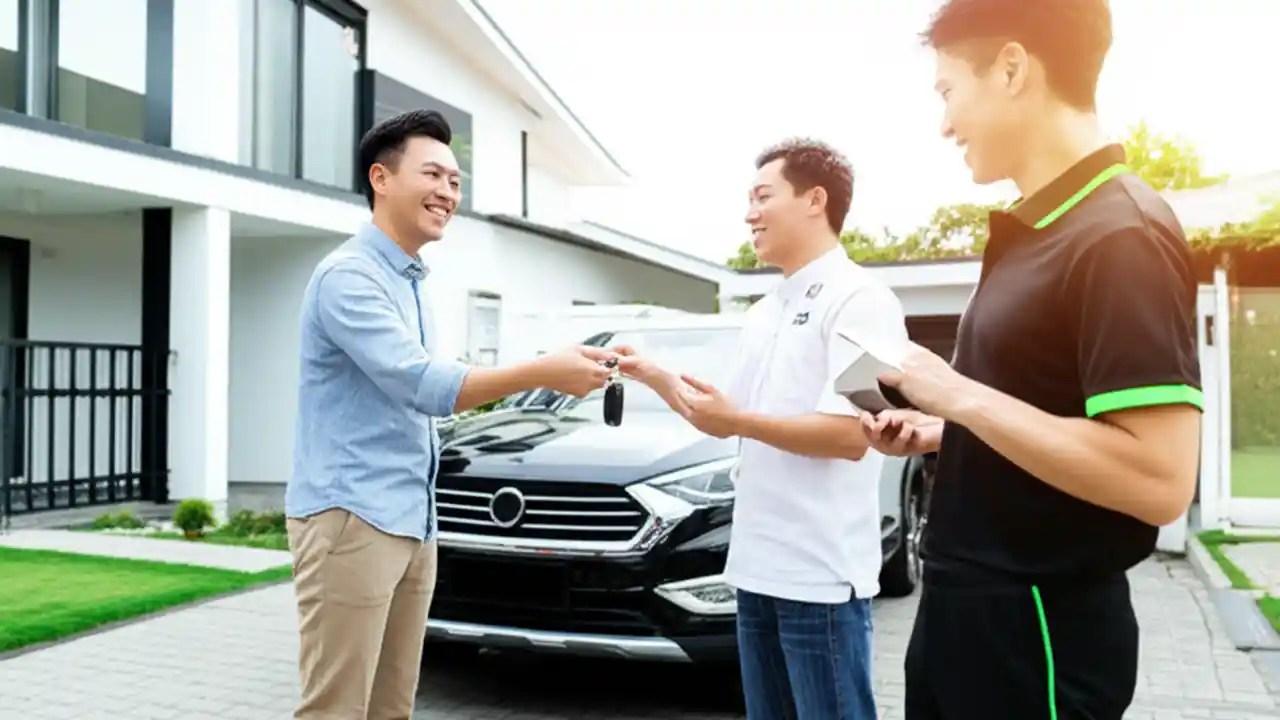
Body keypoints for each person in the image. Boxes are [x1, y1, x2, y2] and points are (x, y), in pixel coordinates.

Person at [861, 1, 1203, 718]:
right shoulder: (1046, 228)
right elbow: (1049, 415)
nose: (944, 123)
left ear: (1012, 68)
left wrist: (960, 397)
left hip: (1036, 639)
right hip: (966, 620)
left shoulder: (1121, 233)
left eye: (948, 91)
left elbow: (1160, 479)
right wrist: (946, 432)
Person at [284, 109, 621, 719]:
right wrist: (544, 370)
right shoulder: (348, 277)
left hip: (412, 520)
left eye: (455, 181)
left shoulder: (410, 280)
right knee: (336, 709)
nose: (447, 191)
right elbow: (423, 385)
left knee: (392, 708)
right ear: (381, 178)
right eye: (432, 174)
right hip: (352, 518)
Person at [619, 138, 909, 719]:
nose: (749, 213)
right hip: (755, 570)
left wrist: (736, 419)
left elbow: (851, 435)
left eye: (762, 197)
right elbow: (726, 417)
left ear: (815, 200)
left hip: (821, 578)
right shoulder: (764, 310)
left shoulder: (865, 301)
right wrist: (652, 375)